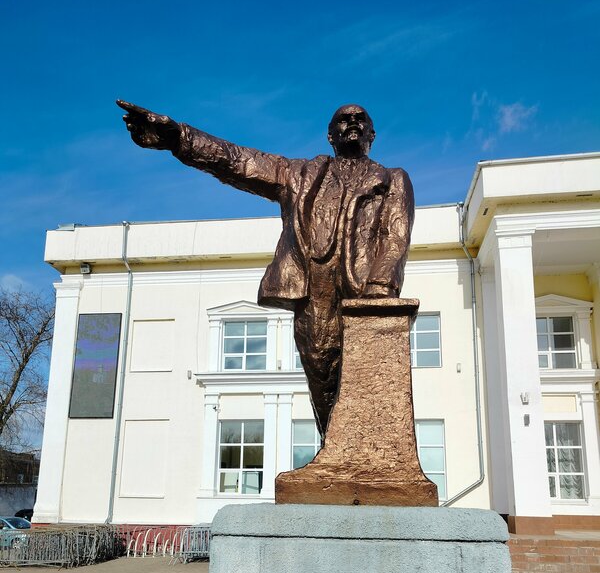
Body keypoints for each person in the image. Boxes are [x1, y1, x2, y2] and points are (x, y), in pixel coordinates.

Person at [118, 100, 415, 435]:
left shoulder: (392, 179)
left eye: (361, 119)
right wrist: (178, 138)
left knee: (370, 379)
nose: (353, 123)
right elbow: (236, 160)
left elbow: (395, 235)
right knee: (322, 379)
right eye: (344, 120)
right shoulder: (299, 174)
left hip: (365, 294)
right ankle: (334, 450)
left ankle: (363, 453)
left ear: (372, 134)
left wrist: (380, 289)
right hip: (313, 293)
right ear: (330, 136)